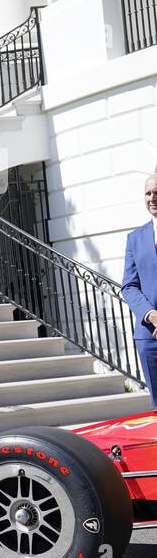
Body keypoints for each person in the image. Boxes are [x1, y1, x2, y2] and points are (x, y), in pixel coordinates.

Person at [121, 173, 157, 406]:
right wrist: (152, 315)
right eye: (148, 193)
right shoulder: (135, 238)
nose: (152, 197)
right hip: (149, 335)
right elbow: (129, 285)